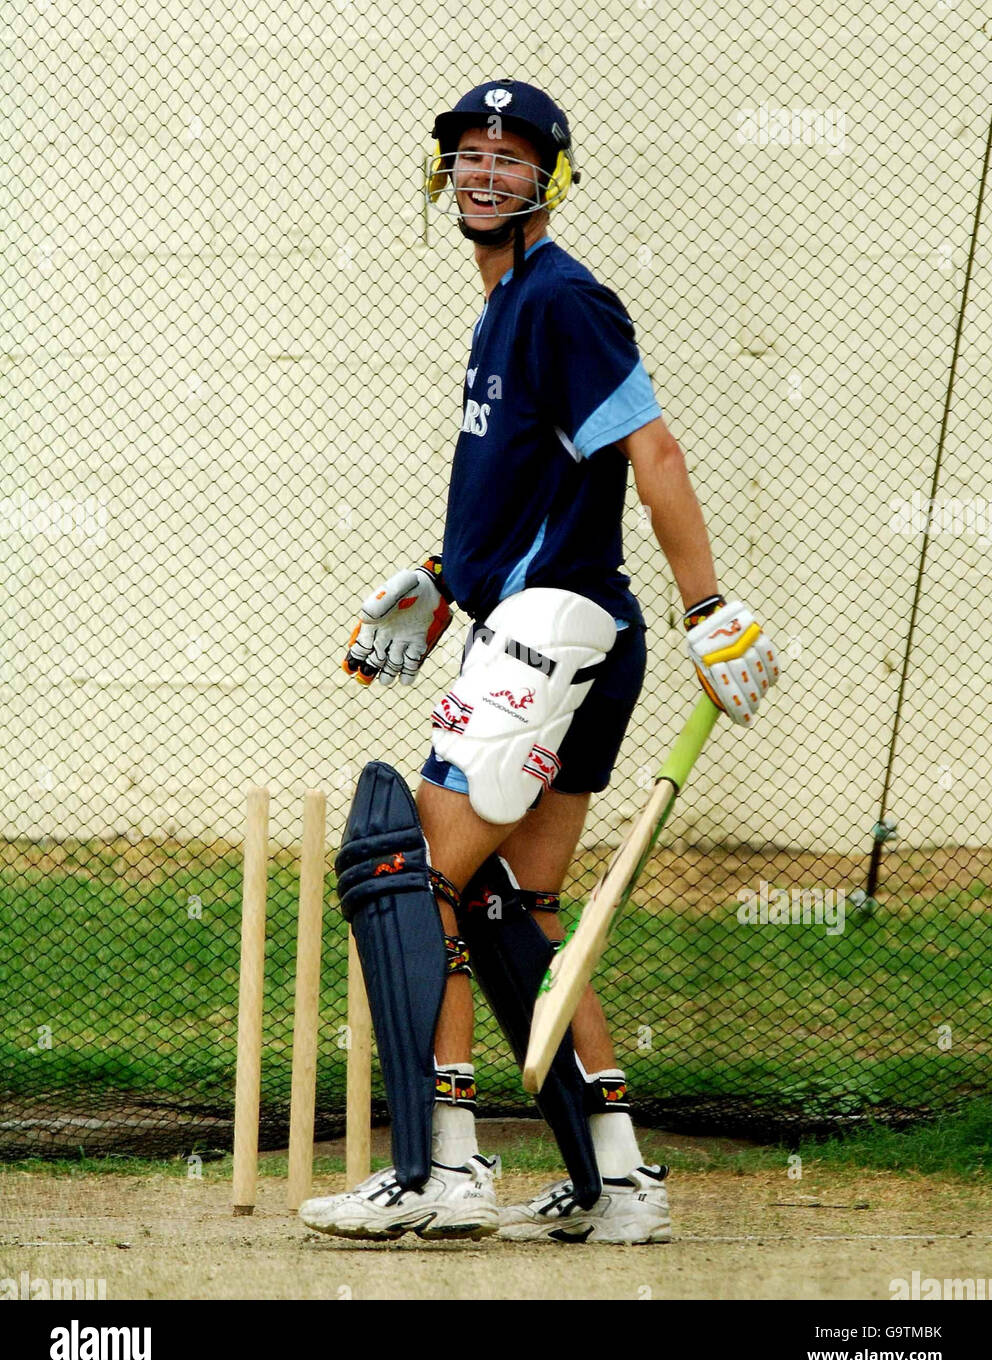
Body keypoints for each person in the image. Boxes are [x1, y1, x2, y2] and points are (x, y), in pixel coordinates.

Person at [300, 79, 778, 1245]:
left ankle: (441, 1168)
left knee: (406, 873)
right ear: (442, 172)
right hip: (551, 628)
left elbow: (652, 447)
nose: (487, 170)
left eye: (513, 156)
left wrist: (706, 604)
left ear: (550, 179)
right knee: (513, 907)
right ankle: (617, 1180)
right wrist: (444, 576)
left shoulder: (561, 301)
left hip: (550, 633)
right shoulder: (505, 306)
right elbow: (532, 486)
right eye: (469, 151)